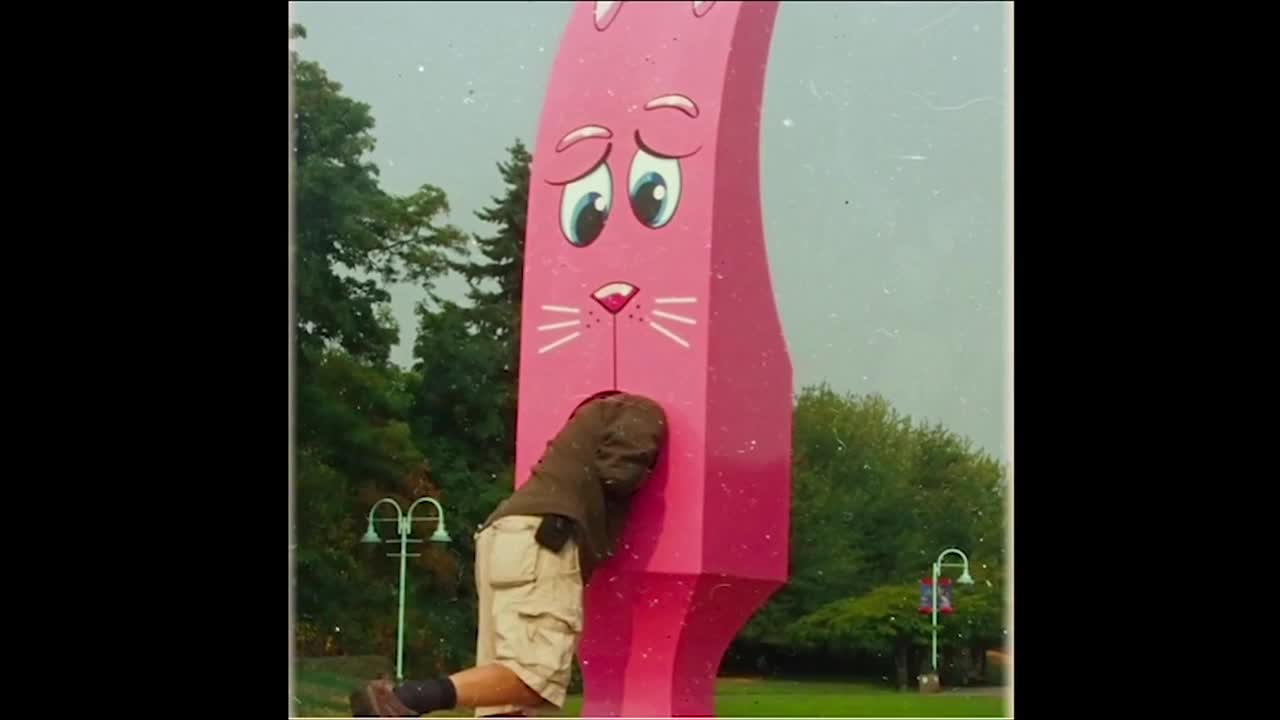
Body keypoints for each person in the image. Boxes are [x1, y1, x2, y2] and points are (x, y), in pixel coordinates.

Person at [349, 391, 668, 717]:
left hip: (508, 538)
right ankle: (405, 699)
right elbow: (619, 474)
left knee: (505, 703)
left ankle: (403, 700)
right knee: (535, 674)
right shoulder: (644, 411)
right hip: (545, 538)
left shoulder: (589, 423)